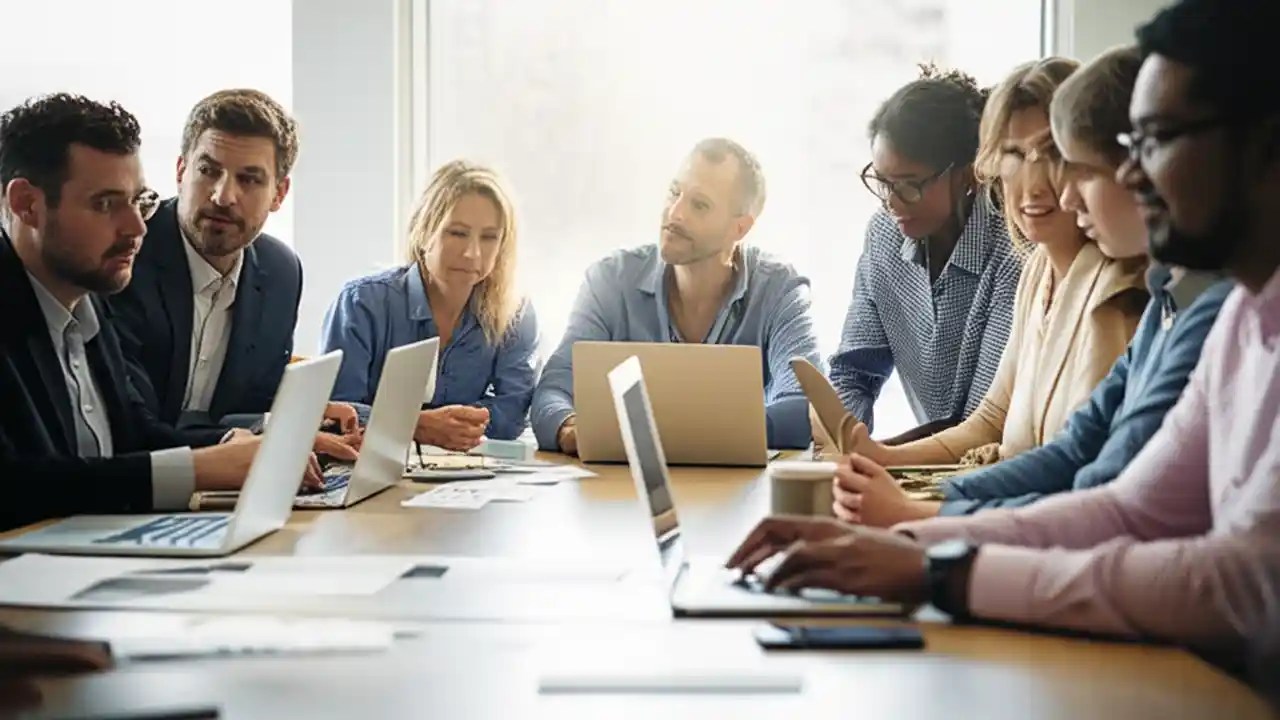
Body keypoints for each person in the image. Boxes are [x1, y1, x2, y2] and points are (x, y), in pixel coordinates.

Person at [727, 0, 1280, 696]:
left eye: (1157, 140)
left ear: (1264, 145)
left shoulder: (1160, 298)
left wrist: (941, 566)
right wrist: (908, 545)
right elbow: (1129, 510)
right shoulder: (1238, 317)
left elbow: (1240, 583)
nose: (1128, 177)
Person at [841, 46, 1234, 523]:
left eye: (1058, 157)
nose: (1046, 185)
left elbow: (1100, 492)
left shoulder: (1143, 292)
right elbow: (1014, 431)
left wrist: (927, 518)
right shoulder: (1041, 271)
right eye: (1013, 154)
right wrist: (894, 472)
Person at [0, 94, 320, 533]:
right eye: (107, 204)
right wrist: (201, 468)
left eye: (139, 201)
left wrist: (244, 448)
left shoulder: (86, 303)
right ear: (26, 205)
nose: (136, 228)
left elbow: (133, 434)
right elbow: (16, 485)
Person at [107, 89, 360, 457]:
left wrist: (294, 419)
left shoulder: (280, 272)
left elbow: (248, 402)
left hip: (223, 490)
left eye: (250, 179)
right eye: (209, 171)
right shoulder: (127, 254)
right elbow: (130, 425)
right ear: (181, 171)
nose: (223, 196)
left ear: (279, 193)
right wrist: (260, 442)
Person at [531, 137, 821, 453]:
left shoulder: (779, 291)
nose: (676, 213)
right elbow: (554, 389)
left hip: (733, 495)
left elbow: (805, 405)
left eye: (700, 205)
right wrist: (568, 428)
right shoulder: (609, 280)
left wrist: (671, 434)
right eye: (674, 192)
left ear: (739, 229)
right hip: (623, 492)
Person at [826, 66, 1022, 441]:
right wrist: (849, 441)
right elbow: (853, 372)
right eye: (882, 182)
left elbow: (982, 420)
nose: (892, 203)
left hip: (988, 466)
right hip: (919, 462)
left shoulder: (1011, 246)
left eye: (910, 186)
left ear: (967, 173)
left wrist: (883, 457)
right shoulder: (884, 235)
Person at [321, 160, 538, 450]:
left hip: (472, 475)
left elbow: (512, 413)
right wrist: (416, 426)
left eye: (489, 238)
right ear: (424, 232)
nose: (472, 253)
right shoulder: (362, 304)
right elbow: (336, 415)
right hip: (369, 472)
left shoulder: (516, 313)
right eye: (457, 233)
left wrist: (453, 429)